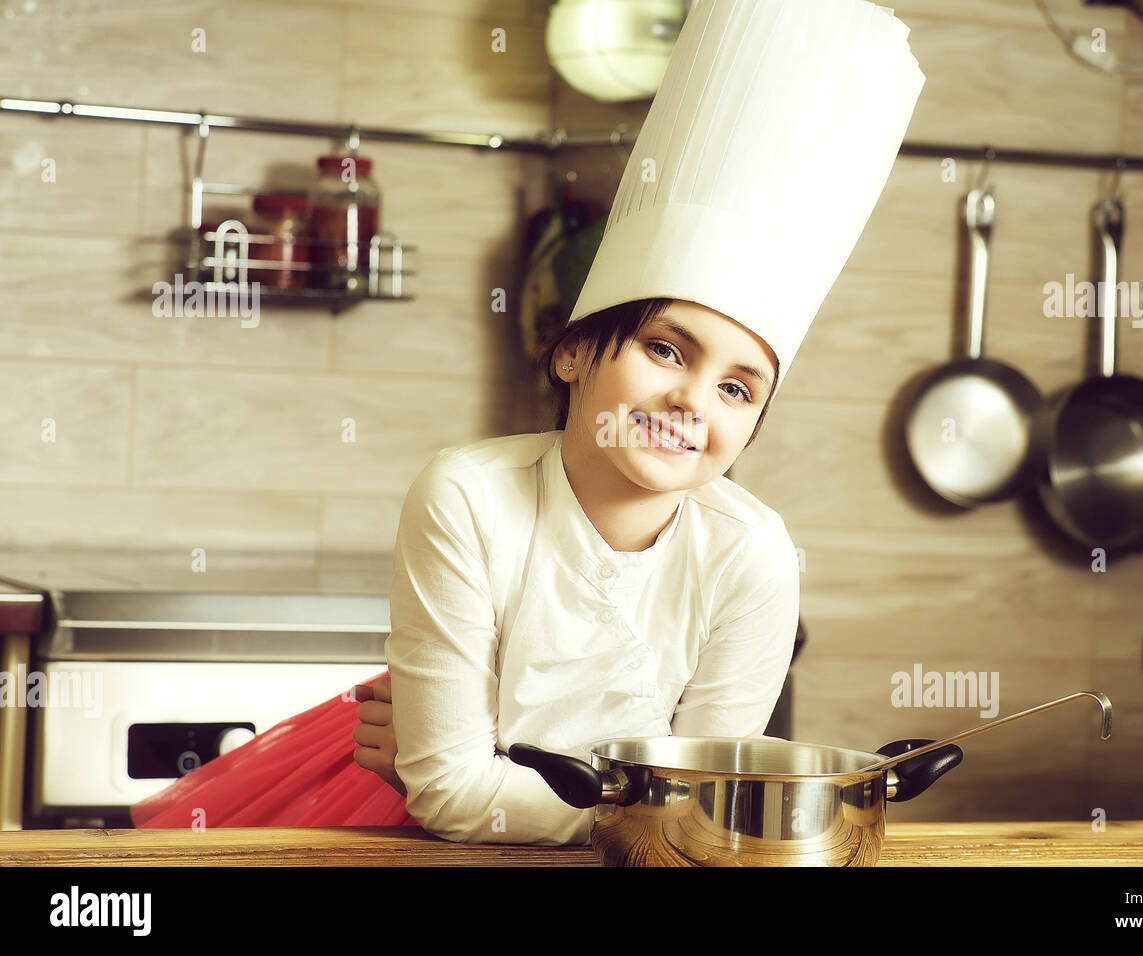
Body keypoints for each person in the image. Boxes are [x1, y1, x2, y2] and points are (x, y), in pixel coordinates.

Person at [130, 0, 924, 842]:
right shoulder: (469, 496)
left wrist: (495, 765)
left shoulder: (754, 554)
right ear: (573, 353)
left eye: (738, 389)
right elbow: (455, 794)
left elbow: (706, 812)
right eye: (665, 349)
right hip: (402, 824)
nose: (695, 399)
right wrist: (505, 781)